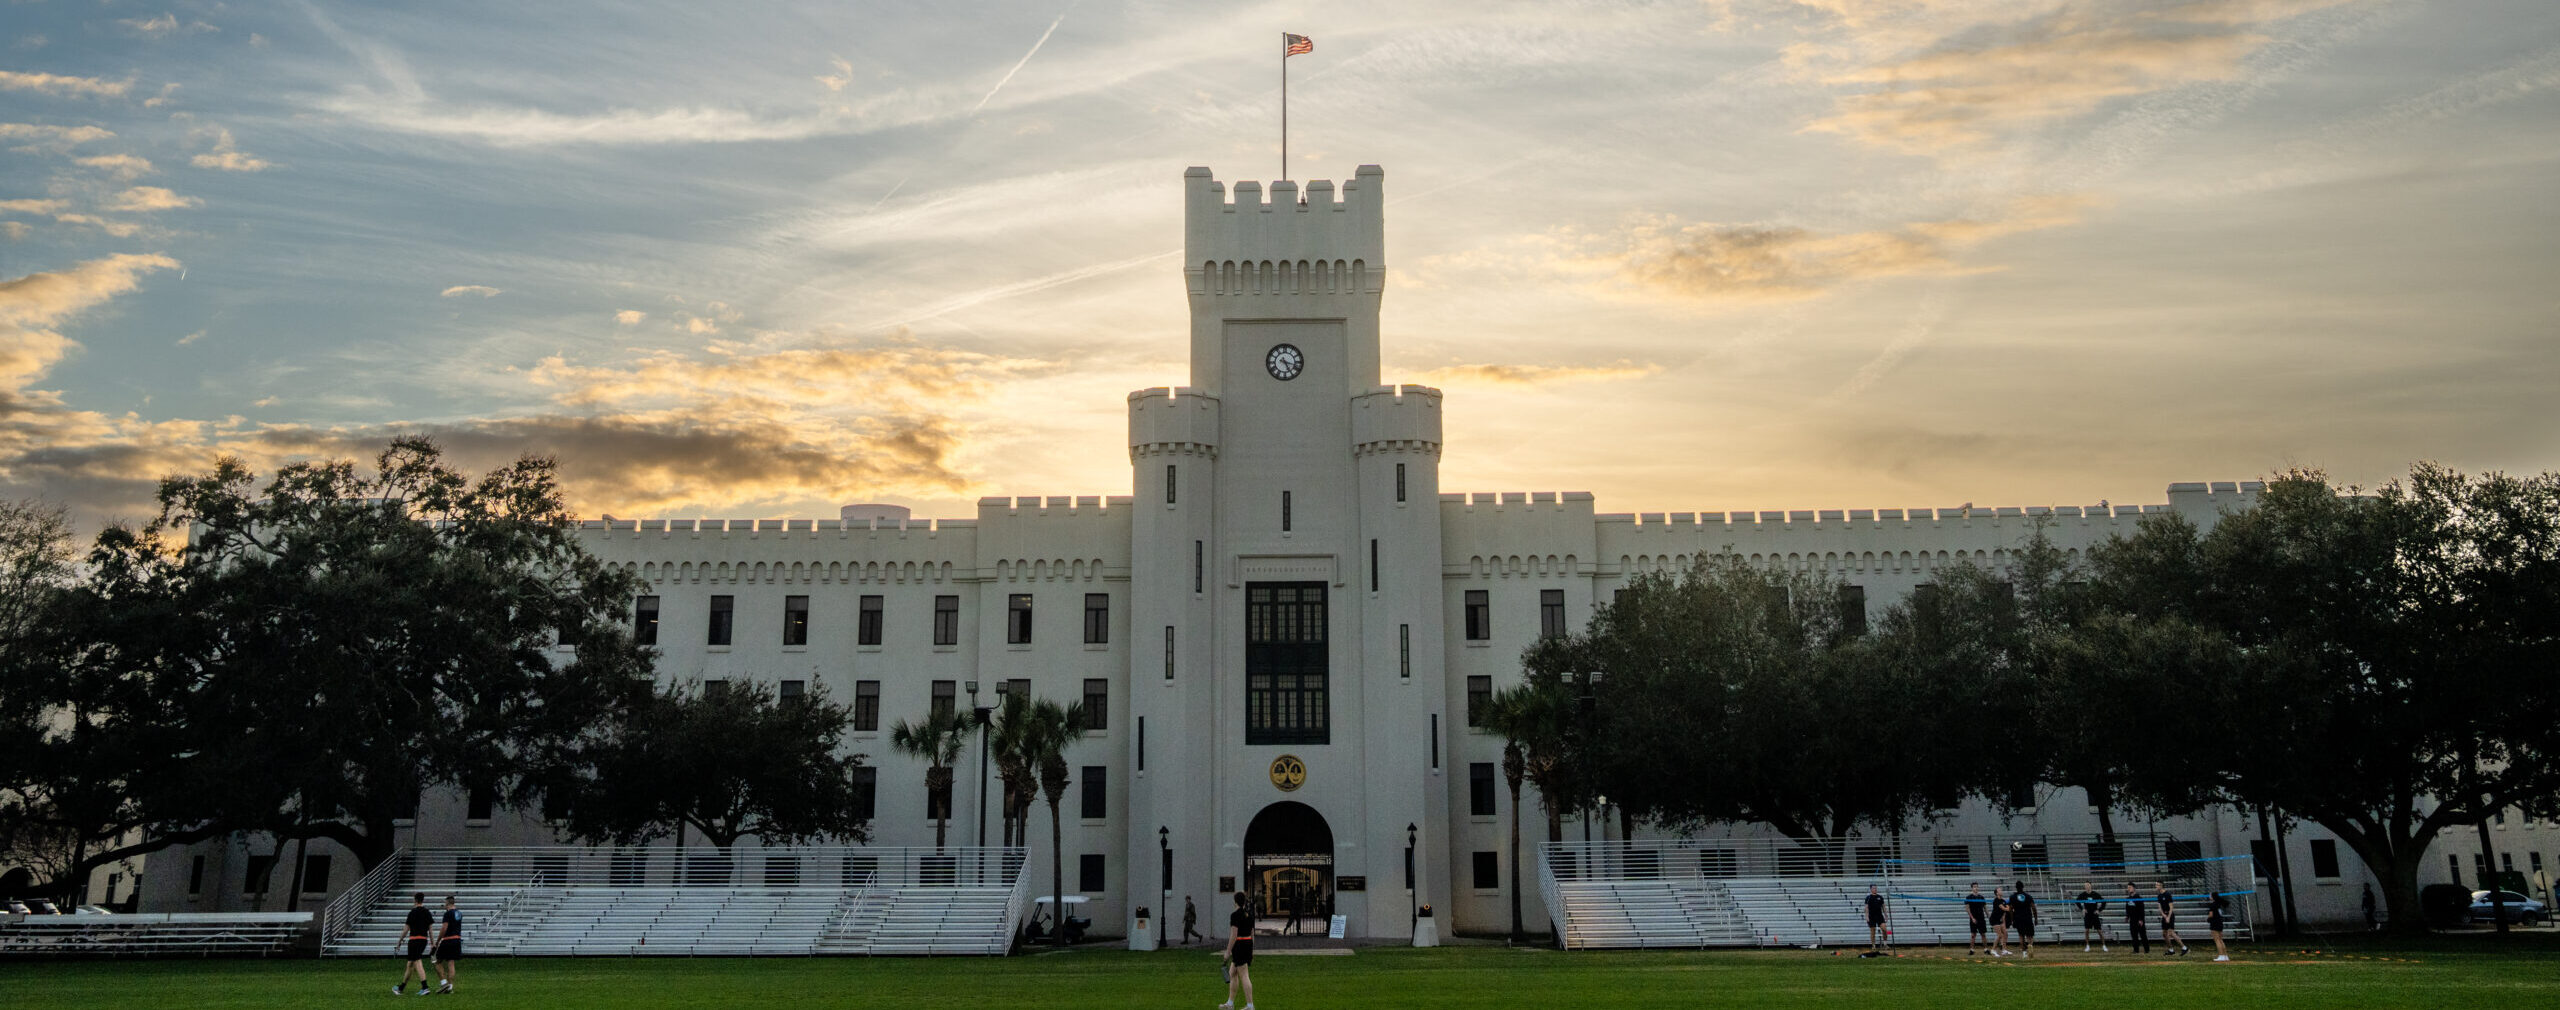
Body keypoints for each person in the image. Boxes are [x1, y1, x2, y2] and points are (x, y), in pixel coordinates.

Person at [1219, 891, 1256, 1010]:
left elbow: (1233, 935)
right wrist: (1251, 950)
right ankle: (1230, 1004)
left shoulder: (1234, 915)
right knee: (1232, 974)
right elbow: (1252, 934)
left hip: (1239, 946)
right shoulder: (1249, 915)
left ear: (1235, 901)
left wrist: (1227, 951)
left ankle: (1250, 1005)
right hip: (1247, 944)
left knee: (1244, 976)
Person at [393, 892, 432, 995]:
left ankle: (425, 987)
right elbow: (430, 929)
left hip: (414, 940)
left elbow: (406, 929)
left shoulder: (412, 912)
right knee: (410, 964)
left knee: (417, 962)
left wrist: (399, 941)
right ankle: (401, 988)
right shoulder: (427, 912)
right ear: (423, 900)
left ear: (415, 900)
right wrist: (432, 942)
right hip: (423, 939)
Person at [433, 895, 463, 994]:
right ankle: (450, 987)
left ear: (448, 903)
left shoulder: (448, 914)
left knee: (436, 961)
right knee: (451, 963)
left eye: (445, 904)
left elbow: (444, 928)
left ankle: (444, 983)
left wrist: (437, 941)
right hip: (457, 940)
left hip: (448, 940)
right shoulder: (459, 913)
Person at [2155, 882, 2190, 955]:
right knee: (2164, 934)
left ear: (2161, 886)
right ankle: (2171, 950)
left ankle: (2184, 948)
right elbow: (2159, 907)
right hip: (2164, 915)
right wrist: (2163, 915)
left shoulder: (2167, 894)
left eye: (2157, 885)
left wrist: (2168, 917)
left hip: (2170, 915)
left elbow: (2171, 907)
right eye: (2156, 885)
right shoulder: (2159, 896)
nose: (2156, 886)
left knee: (2171, 933)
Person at [2008, 882, 2037, 959]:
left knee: (2021, 936)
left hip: (2018, 918)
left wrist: (2012, 920)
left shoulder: (2012, 897)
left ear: (2016, 887)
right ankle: (2030, 947)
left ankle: (2024, 953)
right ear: (2023, 887)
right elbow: (2033, 908)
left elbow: (2010, 909)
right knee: (2030, 935)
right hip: (2027, 918)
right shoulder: (2028, 896)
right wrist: (2036, 918)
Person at [2077, 882, 2108, 952]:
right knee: (2086, 931)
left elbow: (2104, 902)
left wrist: (2099, 910)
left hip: (2094, 915)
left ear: (2091, 886)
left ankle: (2104, 945)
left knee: (2099, 931)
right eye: (2085, 885)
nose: (2087, 886)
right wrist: (2082, 909)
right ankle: (2087, 946)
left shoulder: (2095, 894)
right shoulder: (2083, 894)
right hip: (2087, 915)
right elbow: (2077, 901)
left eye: (2088, 885)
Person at [2123, 882, 2150, 954]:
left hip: (2139, 920)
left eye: (2130, 887)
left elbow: (2142, 909)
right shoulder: (2128, 899)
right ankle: (2136, 950)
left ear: (2134, 888)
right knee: (2134, 936)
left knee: (2143, 935)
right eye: (2128, 887)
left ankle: (2146, 950)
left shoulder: (2139, 898)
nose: (2128, 889)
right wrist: (2127, 916)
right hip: (2132, 920)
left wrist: (2141, 919)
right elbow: (2127, 909)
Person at [1964, 883, 1990, 955]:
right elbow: (1967, 909)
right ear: (1972, 888)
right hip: (1973, 918)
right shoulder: (1968, 897)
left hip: (1981, 918)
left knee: (1983, 934)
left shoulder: (1981, 897)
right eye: (1974, 887)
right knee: (1973, 935)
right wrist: (1972, 918)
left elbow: (1985, 908)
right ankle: (1972, 950)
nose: (1976, 888)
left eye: (1977, 887)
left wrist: (1988, 916)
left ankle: (1986, 949)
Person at [2207, 893, 2232, 961]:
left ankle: (2221, 955)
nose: (2209, 896)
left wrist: (2208, 919)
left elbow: (2211, 915)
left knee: (2217, 940)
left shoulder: (2212, 905)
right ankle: (2225, 956)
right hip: (2220, 923)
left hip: (2214, 923)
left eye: (2210, 895)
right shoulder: (2219, 904)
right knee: (2221, 940)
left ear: (2213, 897)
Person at [1989, 880, 2011, 955]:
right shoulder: (1996, 901)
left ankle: (2004, 950)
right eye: (1999, 890)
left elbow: (2005, 911)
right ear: (1996, 893)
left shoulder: (2003, 900)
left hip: (2000, 919)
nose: (2001, 891)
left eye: (2001, 890)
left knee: (2005, 934)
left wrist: (2004, 921)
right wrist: (2007, 907)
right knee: (2000, 935)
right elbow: (2005, 908)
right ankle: (1993, 950)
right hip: (1994, 919)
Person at [1863, 885, 1888, 950]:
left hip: (1879, 916)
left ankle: (1885, 944)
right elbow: (1866, 907)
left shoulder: (1880, 897)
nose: (1875, 889)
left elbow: (1883, 906)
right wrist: (1867, 916)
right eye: (1873, 888)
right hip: (1871, 916)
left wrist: (1886, 915)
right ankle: (1873, 945)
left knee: (1884, 929)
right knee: (1873, 931)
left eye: (1876, 888)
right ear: (1871, 889)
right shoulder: (1868, 897)